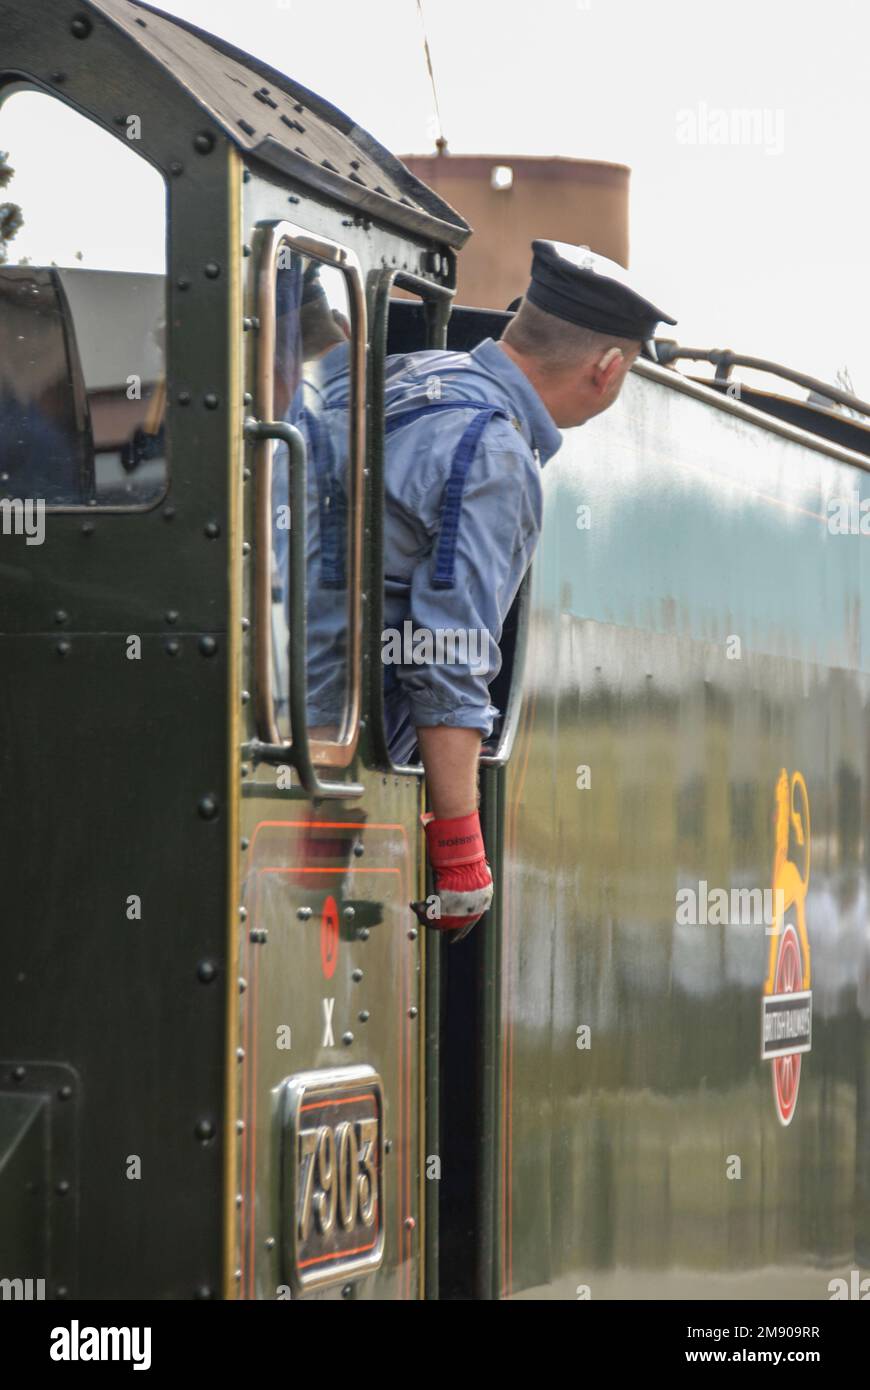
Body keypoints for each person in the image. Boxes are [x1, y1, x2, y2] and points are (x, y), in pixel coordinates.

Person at [382, 240, 677, 938]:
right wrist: (459, 849)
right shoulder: (497, 453)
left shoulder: (409, 374)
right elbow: (446, 653)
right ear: (608, 369)